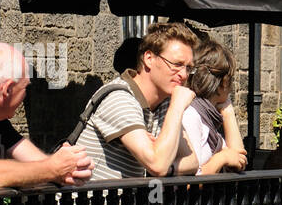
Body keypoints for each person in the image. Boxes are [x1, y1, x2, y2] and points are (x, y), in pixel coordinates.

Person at [0, 41, 93, 187]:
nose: (26, 94)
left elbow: (40, 162)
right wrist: (54, 168)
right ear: (7, 90)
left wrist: (71, 165)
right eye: (25, 87)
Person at [73, 22, 198, 181]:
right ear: (149, 58)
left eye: (188, 68)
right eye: (177, 64)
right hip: (88, 204)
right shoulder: (119, 97)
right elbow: (158, 164)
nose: (184, 75)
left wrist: (166, 164)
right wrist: (177, 107)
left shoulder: (165, 104)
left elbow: (193, 161)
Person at [174, 38, 248, 175]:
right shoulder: (191, 115)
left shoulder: (209, 118)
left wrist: (228, 112)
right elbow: (191, 177)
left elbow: (239, 159)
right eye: (231, 79)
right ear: (224, 82)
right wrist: (222, 158)